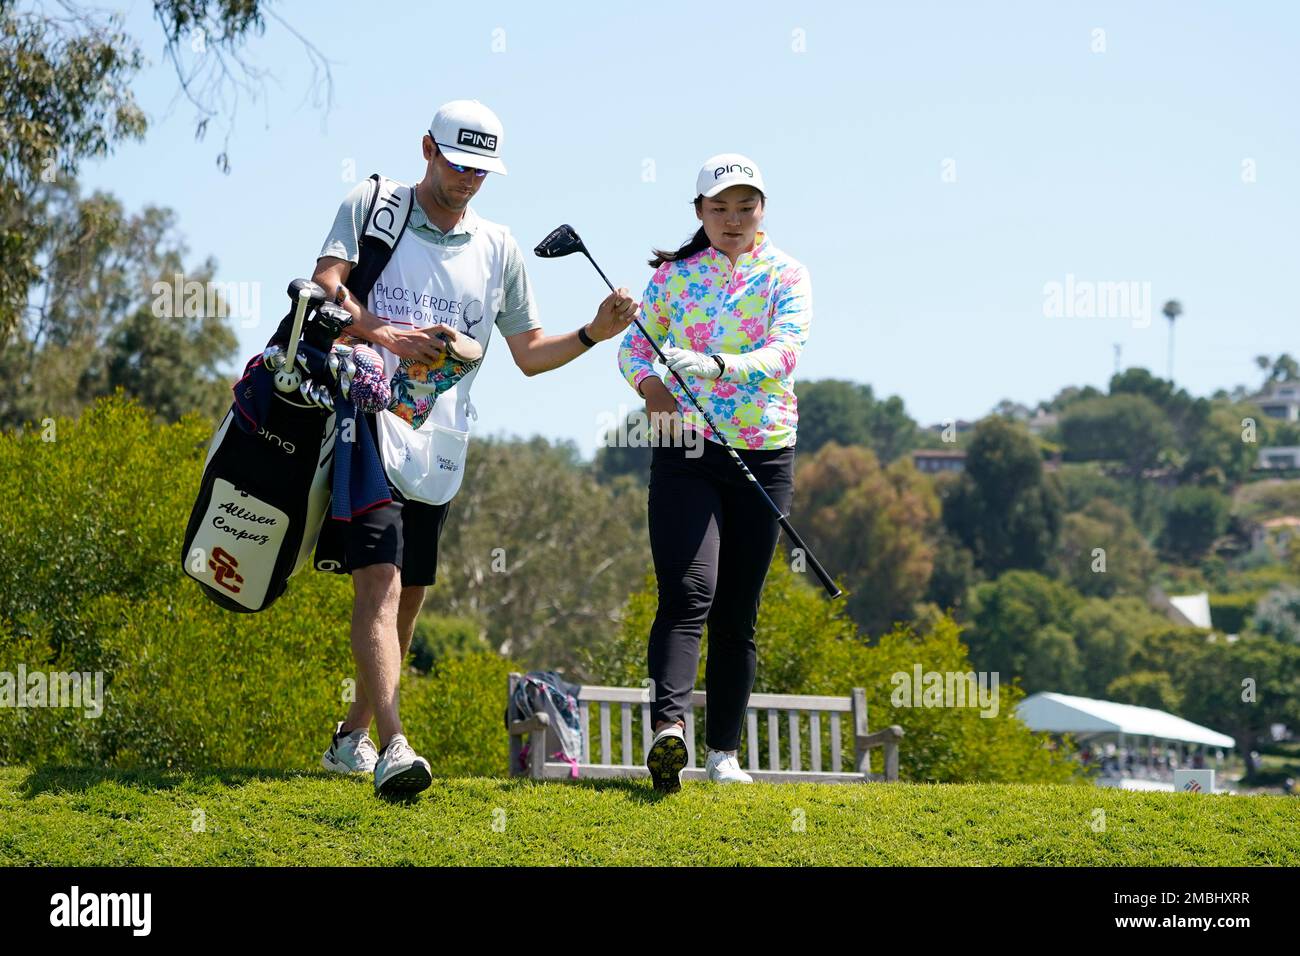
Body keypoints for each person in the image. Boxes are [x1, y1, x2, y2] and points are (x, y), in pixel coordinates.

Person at [313, 100, 637, 797]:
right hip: (365, 419)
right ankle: (395, 746)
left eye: (481, 172)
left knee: (410, 599)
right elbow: (324, 292)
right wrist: (384, 334)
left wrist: (592, 332)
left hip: (442, 442)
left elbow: (527, 353)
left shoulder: (499, 248)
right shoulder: (373, 206)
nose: (467, 181)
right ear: (427, 147)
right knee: (380, 582)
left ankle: (349, 740)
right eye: (458, 164)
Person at [616, 153, 813, 793]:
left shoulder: (788, 274)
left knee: (738, 611)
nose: (733, 219)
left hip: (763, 450)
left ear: (763, 210)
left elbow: (785, 352)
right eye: (719, 207)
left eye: (745, 206)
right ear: (699, 212)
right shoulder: (675, 277)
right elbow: (634, 346)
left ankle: (723, 753)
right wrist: (651, 387)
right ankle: (669, 731)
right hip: (686, 448)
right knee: (687, 592)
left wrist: (715, 367)